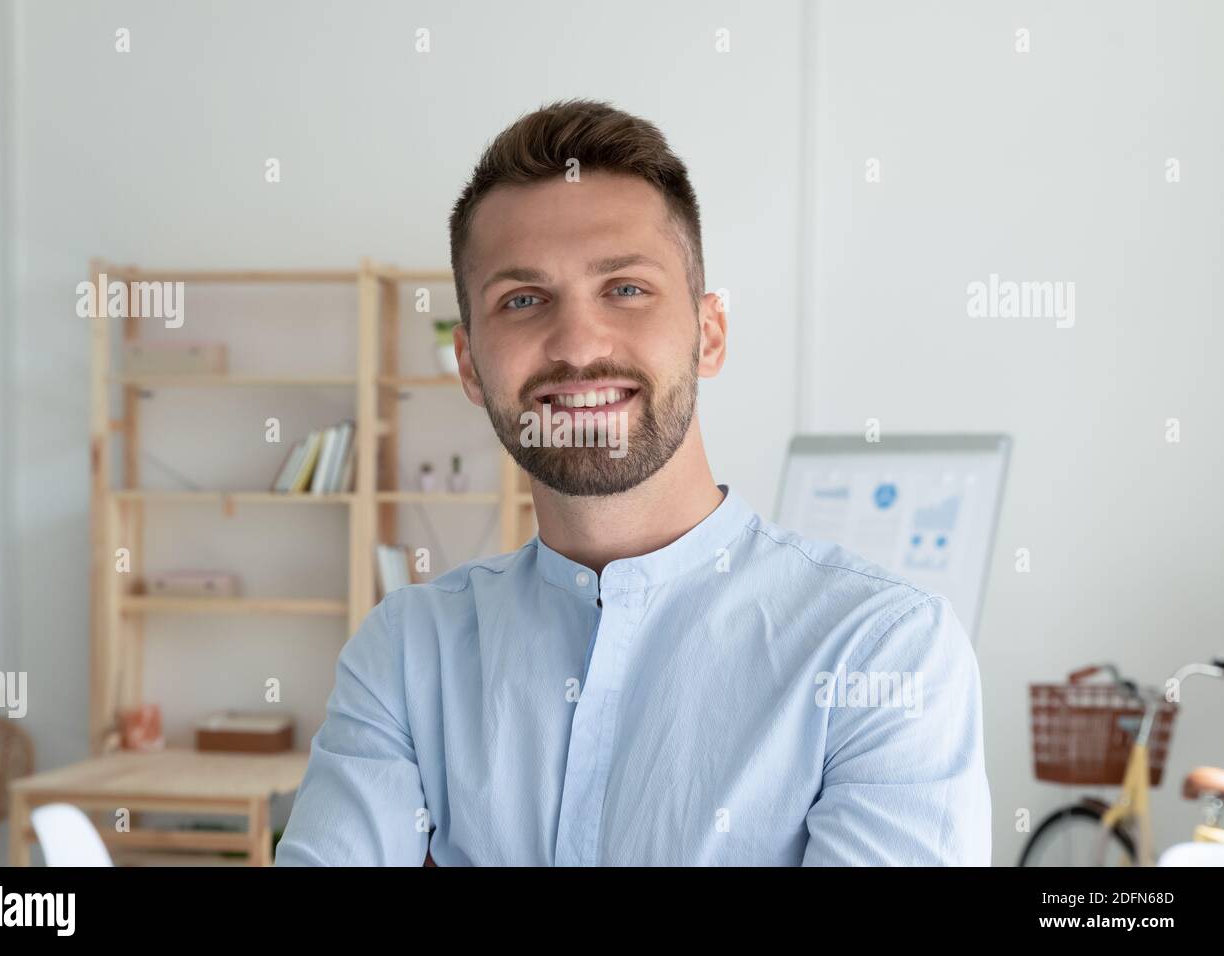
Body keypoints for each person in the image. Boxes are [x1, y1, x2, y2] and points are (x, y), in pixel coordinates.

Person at [276, 99, 991, 866]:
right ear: (471, 368)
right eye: (522, 300)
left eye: (625, 289)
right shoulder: (408, 653)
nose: (578, 345)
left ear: (709, 335)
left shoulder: (880, 651)